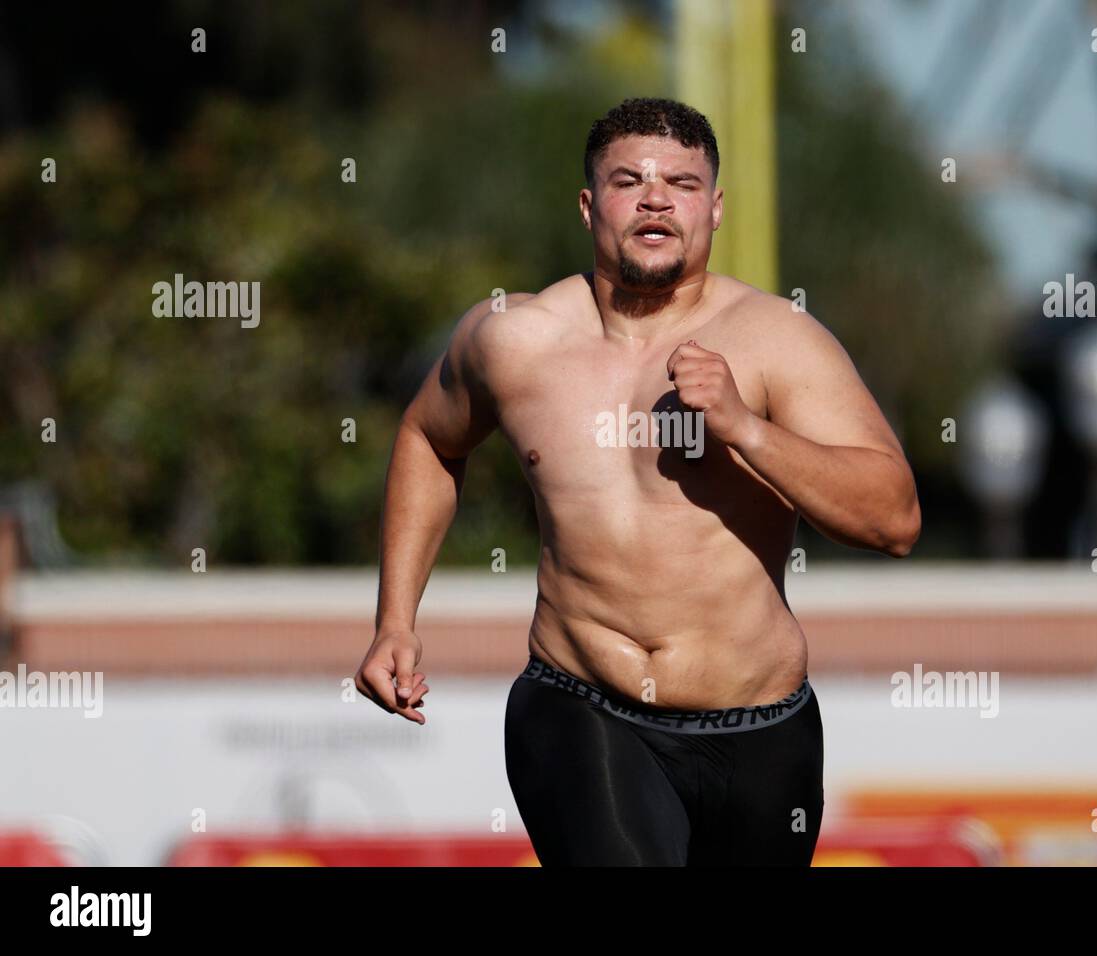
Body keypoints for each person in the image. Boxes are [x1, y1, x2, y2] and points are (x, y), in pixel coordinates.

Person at [354, 97, 920, 865]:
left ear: (715, 210)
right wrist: (395, 620)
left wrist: (747, 430)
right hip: (581, 707)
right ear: (590, 206)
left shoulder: (778, 341)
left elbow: (893, 518)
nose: (656, 198)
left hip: (760, 735)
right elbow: (428, 435)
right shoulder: (514, 340)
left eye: (682, 184)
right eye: (630, 181)